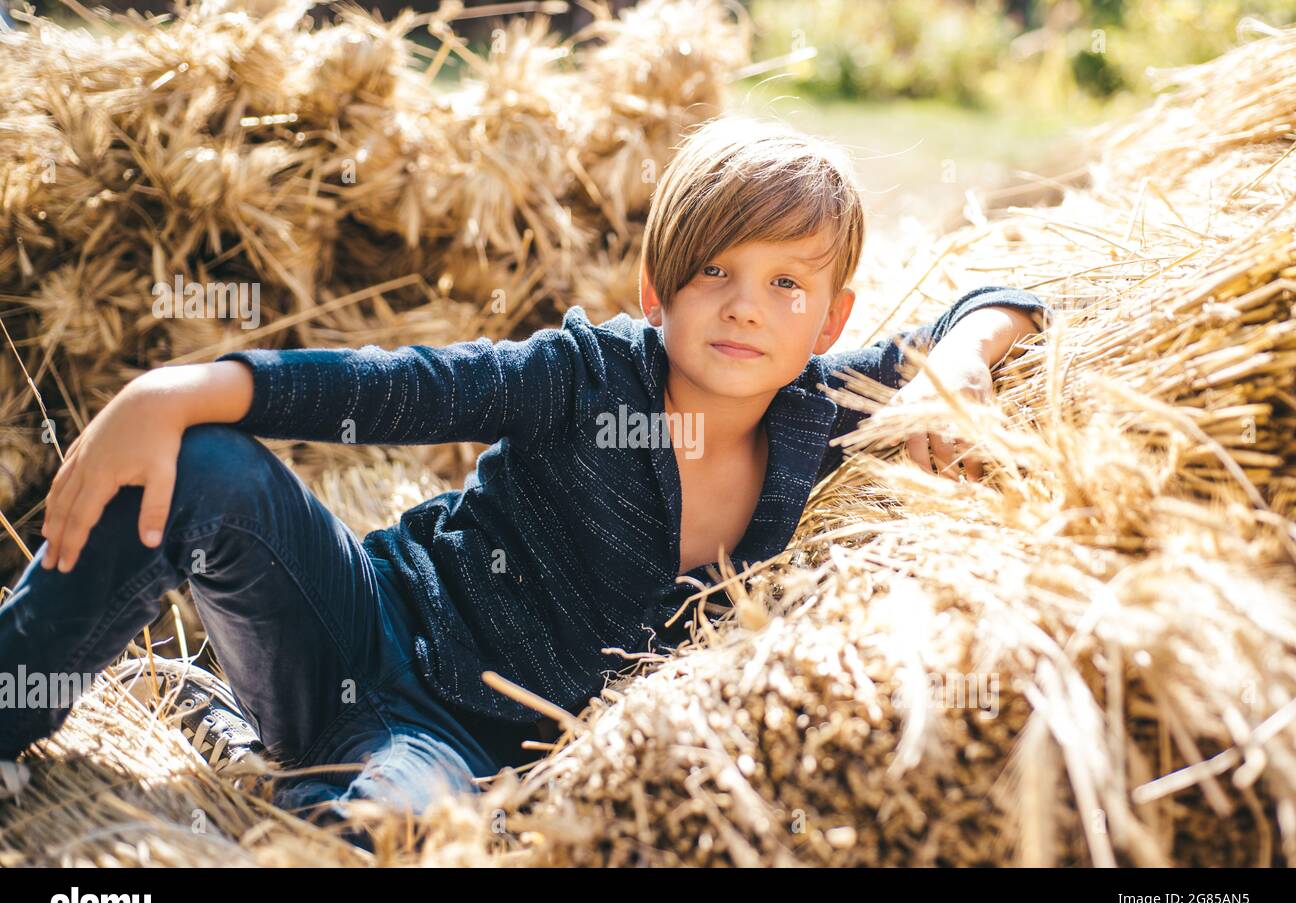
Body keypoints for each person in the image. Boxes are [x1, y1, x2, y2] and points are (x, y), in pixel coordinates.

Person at [0, 115, 1050, 847]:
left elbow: (1011, 301)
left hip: (444, 742)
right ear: (654, 292)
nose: (742, 307)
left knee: (398, 829)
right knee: (203, 467)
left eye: (784, 285)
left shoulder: (826, 408)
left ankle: (251, 743)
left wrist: (960, 360)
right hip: (356, 620)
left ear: (828, 321)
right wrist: (181, 390)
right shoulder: (585, 375)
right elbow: (400, 390)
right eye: (713, 272)